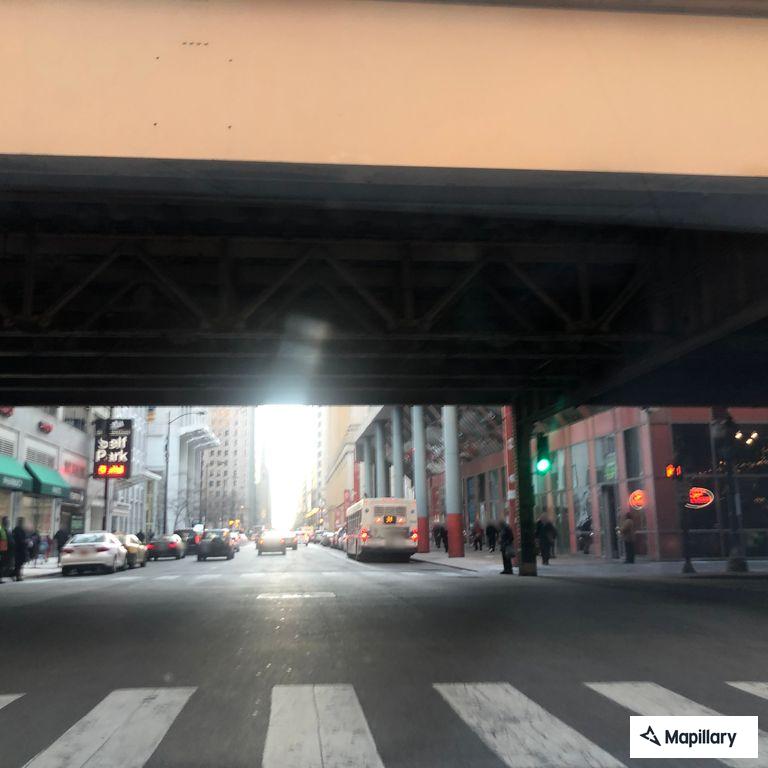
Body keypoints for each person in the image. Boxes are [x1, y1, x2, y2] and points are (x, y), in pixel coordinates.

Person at [12, 517, 28, 581]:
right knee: (18, 563)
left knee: (20, 563)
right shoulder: (17, 530)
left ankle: (18, 575)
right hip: (19, 549)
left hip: (21, 549)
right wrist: (25, 542)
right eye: (21, 522)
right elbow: (20, 540)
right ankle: (17, 576)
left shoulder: (19, 529)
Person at [0, 516, 11, 584]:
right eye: (7, 521)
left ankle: (0, 578)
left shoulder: (6, 529)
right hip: (1, 551)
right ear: (3, 521)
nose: (8, 522)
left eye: (8, 521)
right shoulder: (1, 529)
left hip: (4, 551)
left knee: (2, 565)